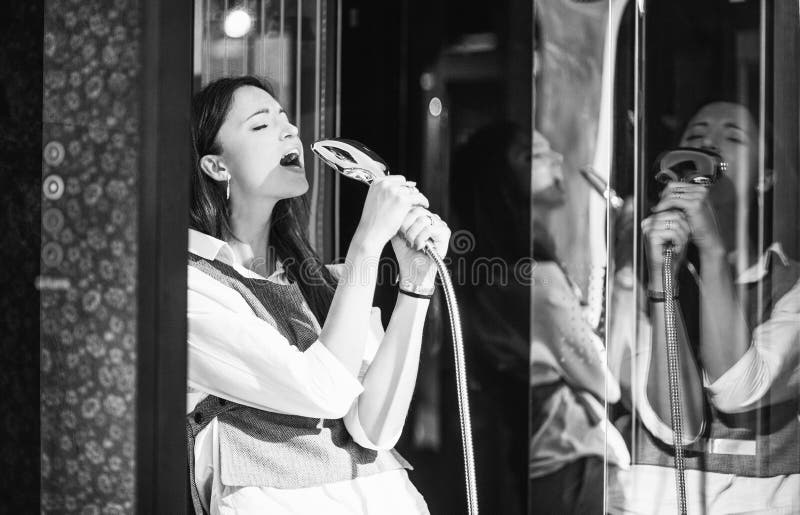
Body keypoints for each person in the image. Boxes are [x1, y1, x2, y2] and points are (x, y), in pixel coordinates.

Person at [185, 76, 451, 514]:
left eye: (287, 120)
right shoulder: (195, 288)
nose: (290, 131)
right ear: (216, 166)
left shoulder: (322, 284)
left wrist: (415, 286)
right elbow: (322, 390)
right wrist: (367, 242)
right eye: (260, 125)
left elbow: (374, 429)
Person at [611, 101, 800, 514]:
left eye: (733, 137)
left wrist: (712, 252)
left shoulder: (794, 286)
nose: (708, 144)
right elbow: (676, 424)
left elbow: (739, 387)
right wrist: (664, 284)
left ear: (765, 178)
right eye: (694, 138)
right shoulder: (642, 279)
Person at [526, 130, 630, 513]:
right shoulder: (541, 277)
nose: (556, 158)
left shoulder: (519, 264)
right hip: (571, 463)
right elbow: (606, 384)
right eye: (537, 154)